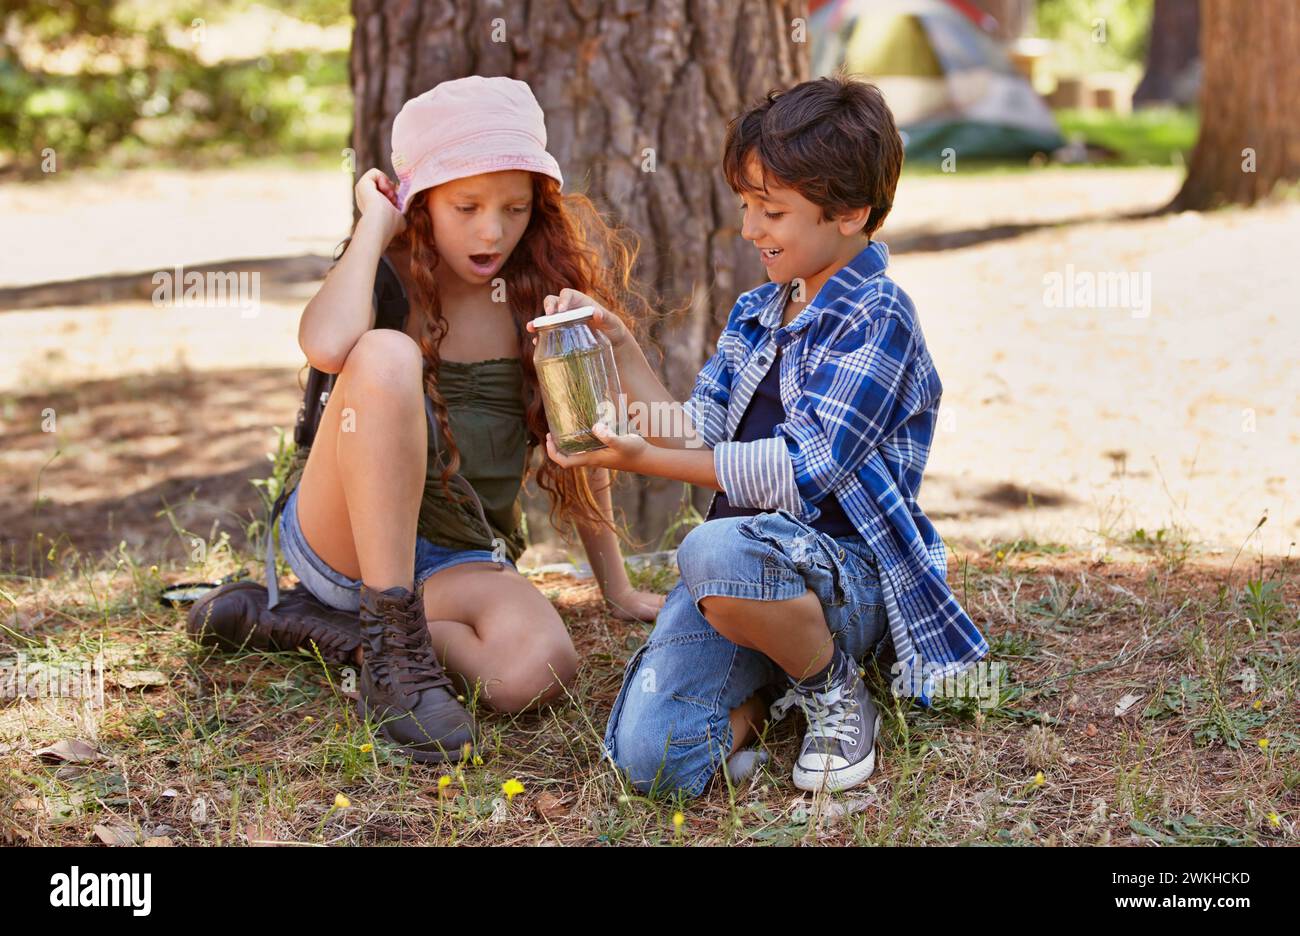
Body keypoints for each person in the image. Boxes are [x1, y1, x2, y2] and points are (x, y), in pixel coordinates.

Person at [534, 74, 989, 796]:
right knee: (653, 761)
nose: (750, 229)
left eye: (772, 211)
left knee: (711, 545)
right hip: (735, 577)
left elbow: (803, 471)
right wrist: (621, 350)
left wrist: (644, 457)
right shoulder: (755, 312)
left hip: (845, 573)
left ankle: (835, 685)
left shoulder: (878, 317)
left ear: (850, 212)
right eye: (747, 206)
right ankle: (779, 689)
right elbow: (696, 437)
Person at [190, 76, 665, 764]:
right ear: (422, 205)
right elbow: (325, 345)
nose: (492, 230)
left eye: (515, 207)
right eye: (465, 205)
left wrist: (615, 586)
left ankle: (333, 630)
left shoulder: (539, 300)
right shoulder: (385, 277)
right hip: (342, 539)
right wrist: (373, 224)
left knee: (535, 669)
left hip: (454, 558)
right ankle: (393, 661)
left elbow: (585, 442)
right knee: (383, 354)